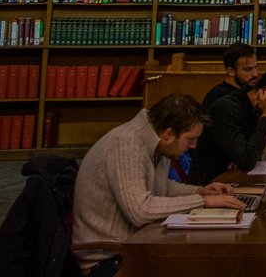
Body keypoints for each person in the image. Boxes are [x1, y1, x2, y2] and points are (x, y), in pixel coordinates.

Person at [71, 93, 243, 274]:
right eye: (190, 139)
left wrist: (200, 192)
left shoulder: (157, 141)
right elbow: (141, 210)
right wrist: (203, 202)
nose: (193, 146)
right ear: (169, 134)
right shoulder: (127, 145)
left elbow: (160, 187)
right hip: (108, 260)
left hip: (134, 246)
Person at [187, 65, 266, 185]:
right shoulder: (227, 108)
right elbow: (247, 161)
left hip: (232, 182)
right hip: (209, 187)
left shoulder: (254, 109)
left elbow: (252, 155)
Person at [202, 42, 259, 109]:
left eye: (256, 67)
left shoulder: (252, 92)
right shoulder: (219, 97)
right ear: (231, 71)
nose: (255, 74)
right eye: (248, 69)